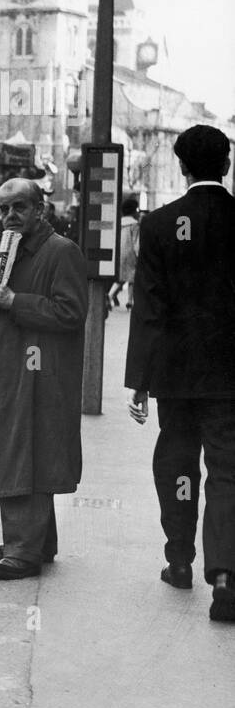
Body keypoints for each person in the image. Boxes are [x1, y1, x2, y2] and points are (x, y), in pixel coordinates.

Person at [125, 125, 235, 620]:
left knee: (179, 463)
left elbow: (147, 309)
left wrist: (140, 382)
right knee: (228, 471)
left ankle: (180, 560)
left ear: (181, 166)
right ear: (227, 165)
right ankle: (227, 575)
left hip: (175, 372)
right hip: (229, 376)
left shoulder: (160, 225)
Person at [0, 178, 88, 580]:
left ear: (41, 209)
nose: (9, 217)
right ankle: (34, 541)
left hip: (41, 372)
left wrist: (15, 302)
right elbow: (2, 307)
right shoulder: (10, 250)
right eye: (3, 209)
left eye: (18, 207)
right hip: (11, 365)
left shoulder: (62, 251)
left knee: (26, 450)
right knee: (15, 446)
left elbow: (71, 313)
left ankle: (23, 549)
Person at [109, 196, 139, 310]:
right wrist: (138, 254)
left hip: (119, 252)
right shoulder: (134, 224)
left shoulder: (119, 223)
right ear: (133, 210)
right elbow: (136, 241)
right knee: (132, 277)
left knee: (120, 277)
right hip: (130, 252)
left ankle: (110, 295)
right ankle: (129, 301)